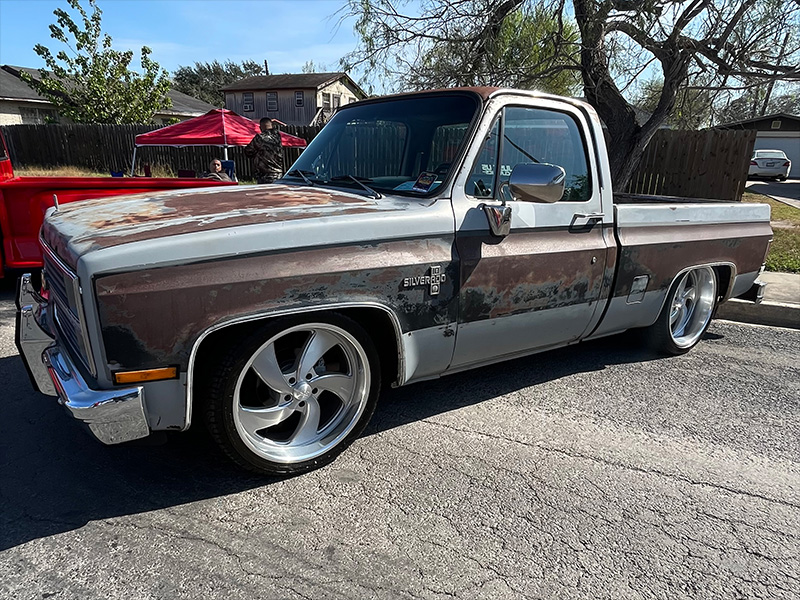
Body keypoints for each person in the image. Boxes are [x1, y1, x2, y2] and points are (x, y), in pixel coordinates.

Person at [244, 117, 283, 183]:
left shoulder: (260, 137)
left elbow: (248, 151)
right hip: (278, 173)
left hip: (265, 174)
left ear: (260, 127)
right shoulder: (277, 136)